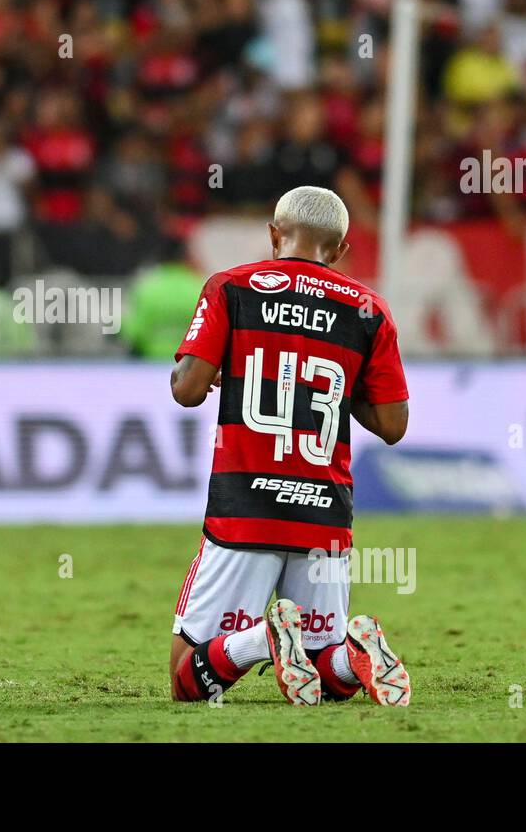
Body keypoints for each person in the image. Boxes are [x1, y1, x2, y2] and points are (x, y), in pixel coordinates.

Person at [167, 186, 412, 707]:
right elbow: (393, 425)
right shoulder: (370, 310)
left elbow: (188, 390)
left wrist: (209, 369)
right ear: (340, 250)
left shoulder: (231, 288)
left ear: (274, 235)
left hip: (246, 509)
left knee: (187, 678)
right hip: (323, 516)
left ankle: (264, 638)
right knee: (325, 678)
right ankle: (356, 654)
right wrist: (338, 387)